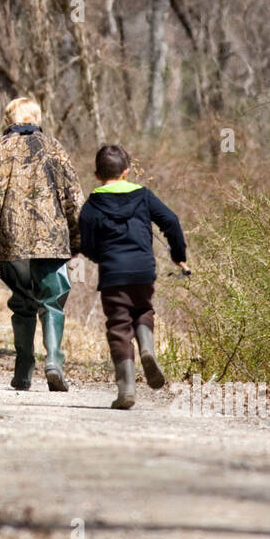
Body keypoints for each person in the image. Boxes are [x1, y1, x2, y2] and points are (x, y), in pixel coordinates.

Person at [0, 97, 83, 391]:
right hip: (51, 239)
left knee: (22, 304)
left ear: (10, 119)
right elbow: (74, 197)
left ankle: (23, 370)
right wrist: (77, 239)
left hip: (13, 241)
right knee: (52, 301)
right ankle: (54, 362)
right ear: (36, 118)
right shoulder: (54, 147)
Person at [77, 144, 189, 410]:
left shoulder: (92, 205)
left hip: (114, 273)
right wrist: (177, 253)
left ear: (96, 174)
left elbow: (86, 243)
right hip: (143, 270)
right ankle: (147, 347)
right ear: (127, 171)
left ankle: (126, 388)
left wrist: (100, 257)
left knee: (118, 326)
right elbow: (171, 220)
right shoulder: (143, 196)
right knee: (143, 310)